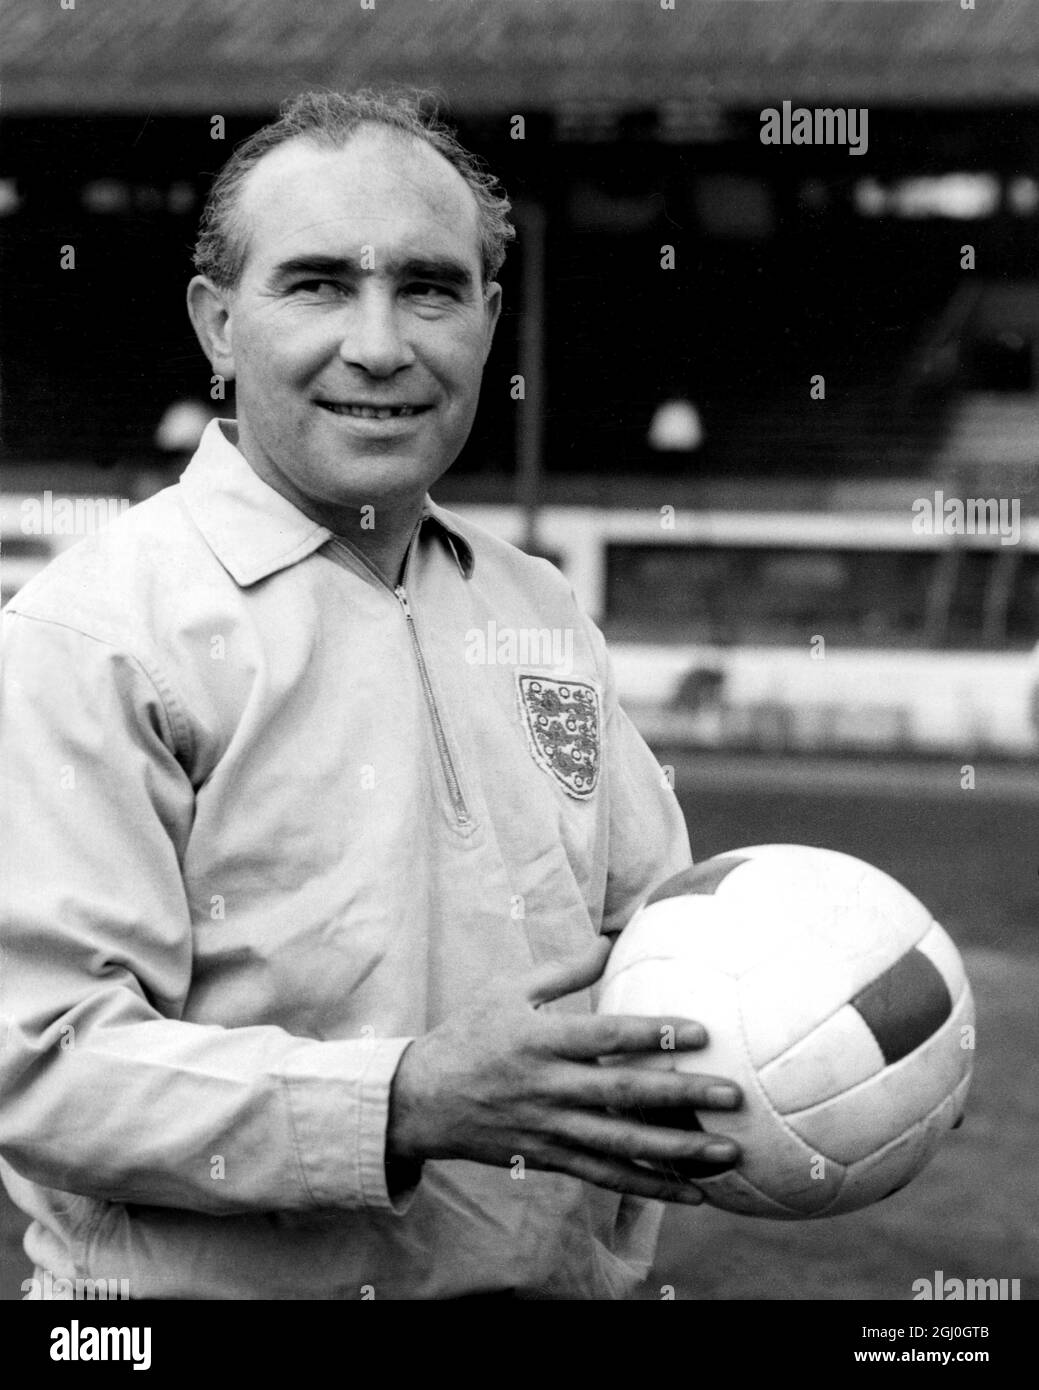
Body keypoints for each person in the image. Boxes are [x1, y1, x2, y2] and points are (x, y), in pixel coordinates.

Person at [0, 90, 742, 1301]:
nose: (382, 343)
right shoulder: (93, 634)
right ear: (218, 323)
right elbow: (39, 1069)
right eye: (318, 285)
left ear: (488, 323)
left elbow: (669, 949)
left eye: (430, 288)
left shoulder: (538, 611)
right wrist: (405, 1100)